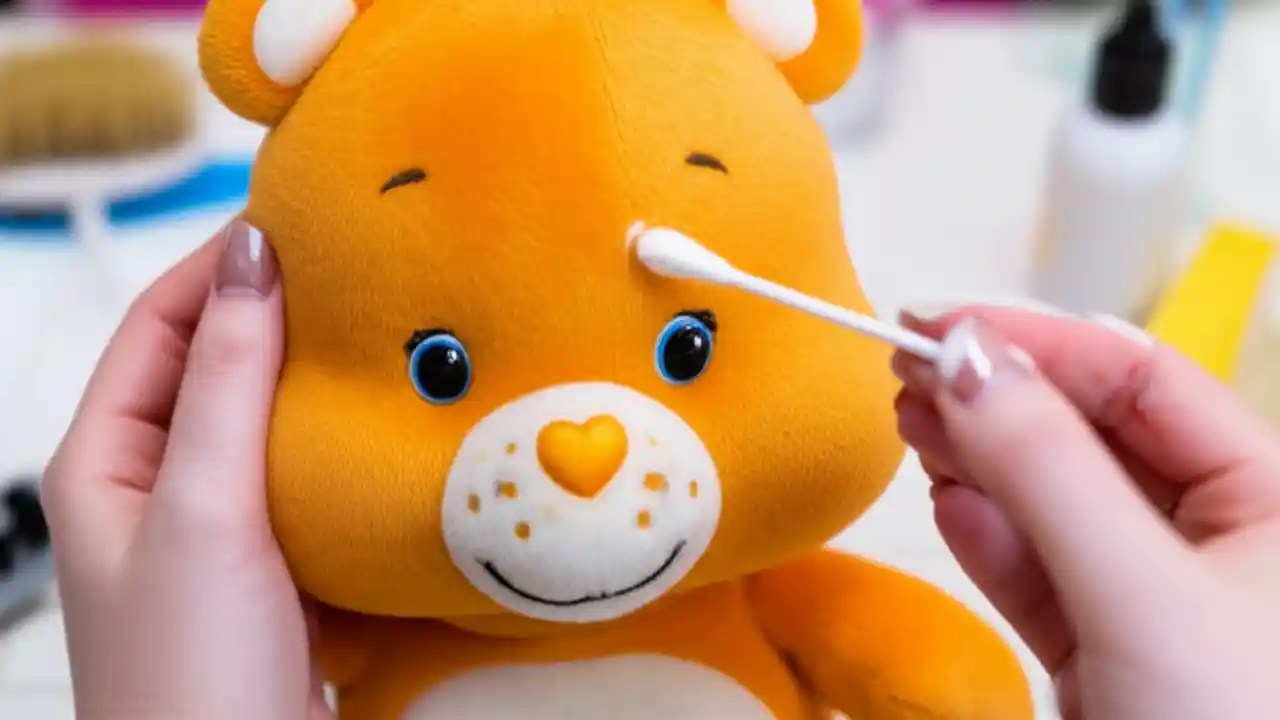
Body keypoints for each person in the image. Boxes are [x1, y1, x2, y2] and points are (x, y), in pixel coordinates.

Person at [42, 222, 1280, 719]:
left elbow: (944, 683)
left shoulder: (761, 590)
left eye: (686, 349)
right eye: (437, 367)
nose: (583, 455)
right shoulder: (341, 626)